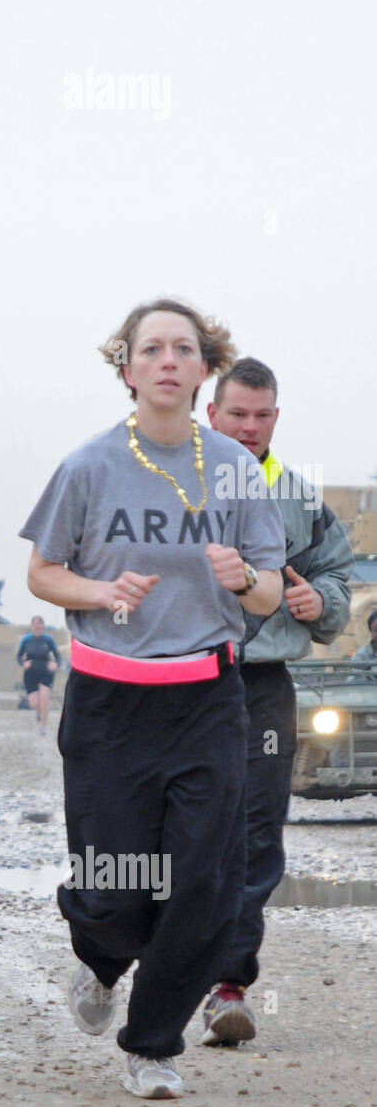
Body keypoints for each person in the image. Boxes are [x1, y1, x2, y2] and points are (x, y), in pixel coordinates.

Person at [20, 297, 285, 1100]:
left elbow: (270, 592)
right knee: (111, 888)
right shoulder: (88, 466)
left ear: (204, 368)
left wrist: (248, 581)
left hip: (207, 700)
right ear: (127, 368)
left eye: (184, 349)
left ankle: (152, 1043)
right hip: (109, 702)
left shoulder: (236, 469)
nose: (167, 360)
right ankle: (100, 963)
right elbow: (42, 573)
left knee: (202, 882)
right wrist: (101, 590)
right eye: (151, 349)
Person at [201, 358, 352, 1044]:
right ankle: (159, 958)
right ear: (211, 414)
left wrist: (320, 603)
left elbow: (335, 581)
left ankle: (227, 986)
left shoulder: (299, 498)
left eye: (261, 415)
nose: (249, 427)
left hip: (262, 685)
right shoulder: (171, 483)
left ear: (275, 418)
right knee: (175, 831)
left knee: (256, 834)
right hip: (179, 679)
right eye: (237, 414)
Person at [16, 615, 60, 735]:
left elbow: (57, 656)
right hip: (30, 673)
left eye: (39, 624)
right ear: (32, 626)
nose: (37, 626)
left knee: (45, 698)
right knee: (34, 703)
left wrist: (55, 664)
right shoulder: (26, 639)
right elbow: (19, 656)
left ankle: (42, 727)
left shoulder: (48, 639)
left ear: (43, 626)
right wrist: (23, 663)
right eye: (35, 624)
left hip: (46, 672)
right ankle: (39, 712)